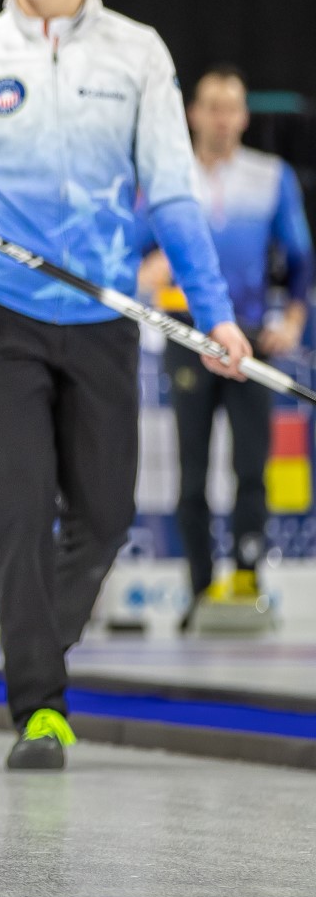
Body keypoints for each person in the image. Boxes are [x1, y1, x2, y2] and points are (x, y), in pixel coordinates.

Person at [0, 0, 249, 770]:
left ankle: (33, 652)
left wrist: (216, 316)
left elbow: (172, 195)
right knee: (18, 511)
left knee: (104, 514)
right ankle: (40, 709)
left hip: (102, 309)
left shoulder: (138, 53)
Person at [140, 67, 311, 626]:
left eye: (231, 107)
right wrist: (147, 269)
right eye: (212, 106)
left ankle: (246, 583)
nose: (221, 118)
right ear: (193, 113)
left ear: (244, 116)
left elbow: (301, 260)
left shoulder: (270, 176)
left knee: (251, 467)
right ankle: (198, 589)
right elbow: (126, 254)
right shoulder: (167, 175)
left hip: (250, 338)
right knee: (191, 471)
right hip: (186, 333)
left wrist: (293, 319)